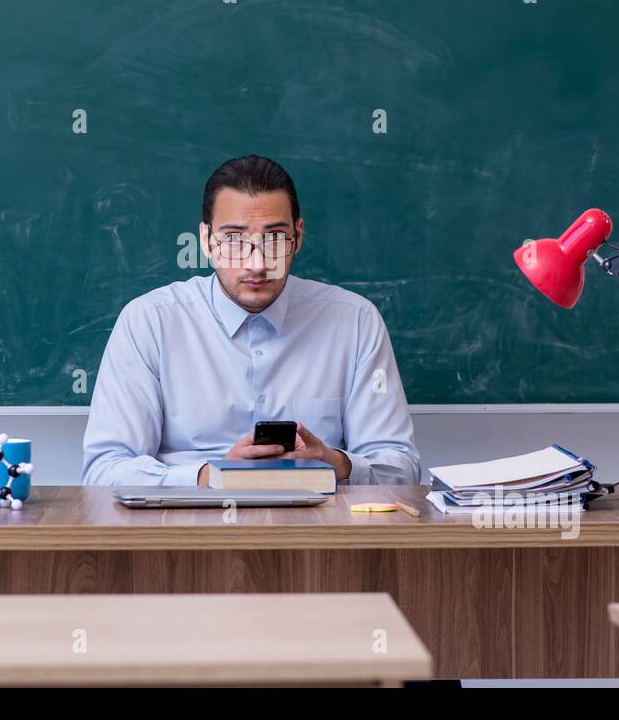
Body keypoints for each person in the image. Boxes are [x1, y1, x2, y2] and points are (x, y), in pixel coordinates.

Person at [82, 154, 421, 486]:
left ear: (298, 237)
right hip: (188, 528)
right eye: (234, 240)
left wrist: (338, 464)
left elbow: (401, 468)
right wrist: (210, 477)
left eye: (274, 239)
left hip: (316, 531)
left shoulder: (355, 321)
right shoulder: (149, 323)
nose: (257, 264)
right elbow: (105, 470)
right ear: (206, 241)